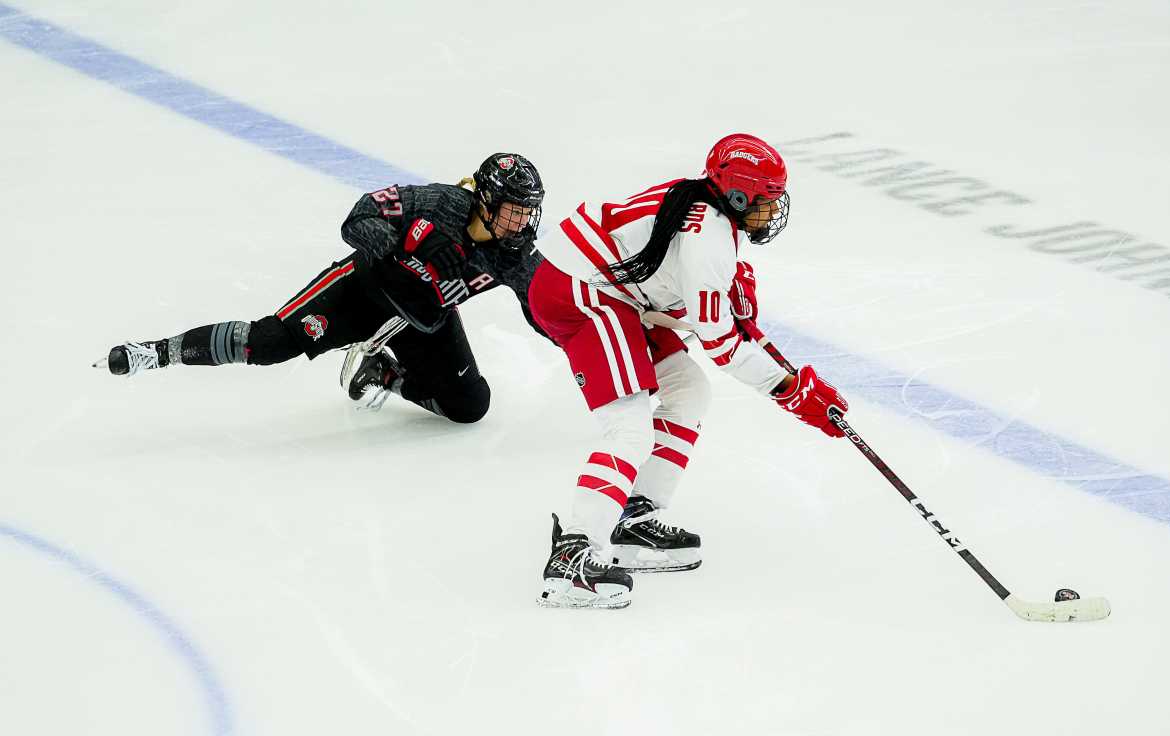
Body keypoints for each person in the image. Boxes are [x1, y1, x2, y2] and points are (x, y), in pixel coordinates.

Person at [527, 133, 849, 609]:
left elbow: (708, 314)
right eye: (767, 199)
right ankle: (573, 555)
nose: (774, 210)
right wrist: (792, 393)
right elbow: (722, 347)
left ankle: (632, 519)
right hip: (578, 290)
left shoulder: (707, 209)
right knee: (629, 426)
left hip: (615, 292)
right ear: (738, 195)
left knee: (689, 389)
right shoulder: (709, 244)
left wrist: (751, 334)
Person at [95, 153, 546, 425]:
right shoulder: (438, 203)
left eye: (529, 213)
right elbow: (358, 217)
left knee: (470, 407)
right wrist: (409, 244)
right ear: (485, 201)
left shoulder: (513, 255)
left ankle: (380, 373)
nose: (523, 223)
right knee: (268, 343)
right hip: (362, 292)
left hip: (424, 320)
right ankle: (158, 352)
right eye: (514, 211)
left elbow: (549, 308)